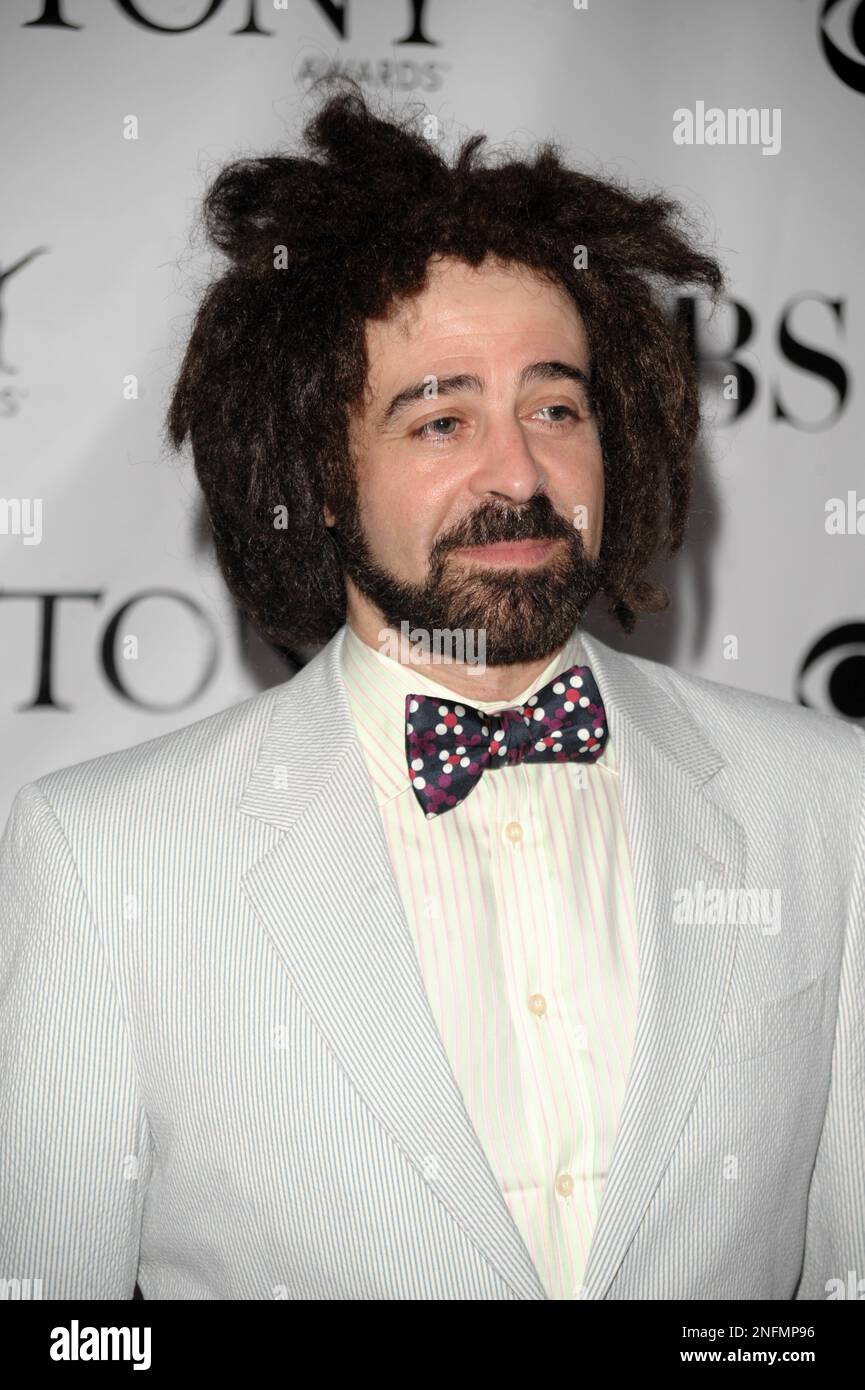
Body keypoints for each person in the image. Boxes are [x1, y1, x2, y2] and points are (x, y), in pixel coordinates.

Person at [1, 80, 862, 1302]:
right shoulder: (107, 857)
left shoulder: (826, 802)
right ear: (320, 471)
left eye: (554, 406)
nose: (519, 469)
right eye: (439, 419)